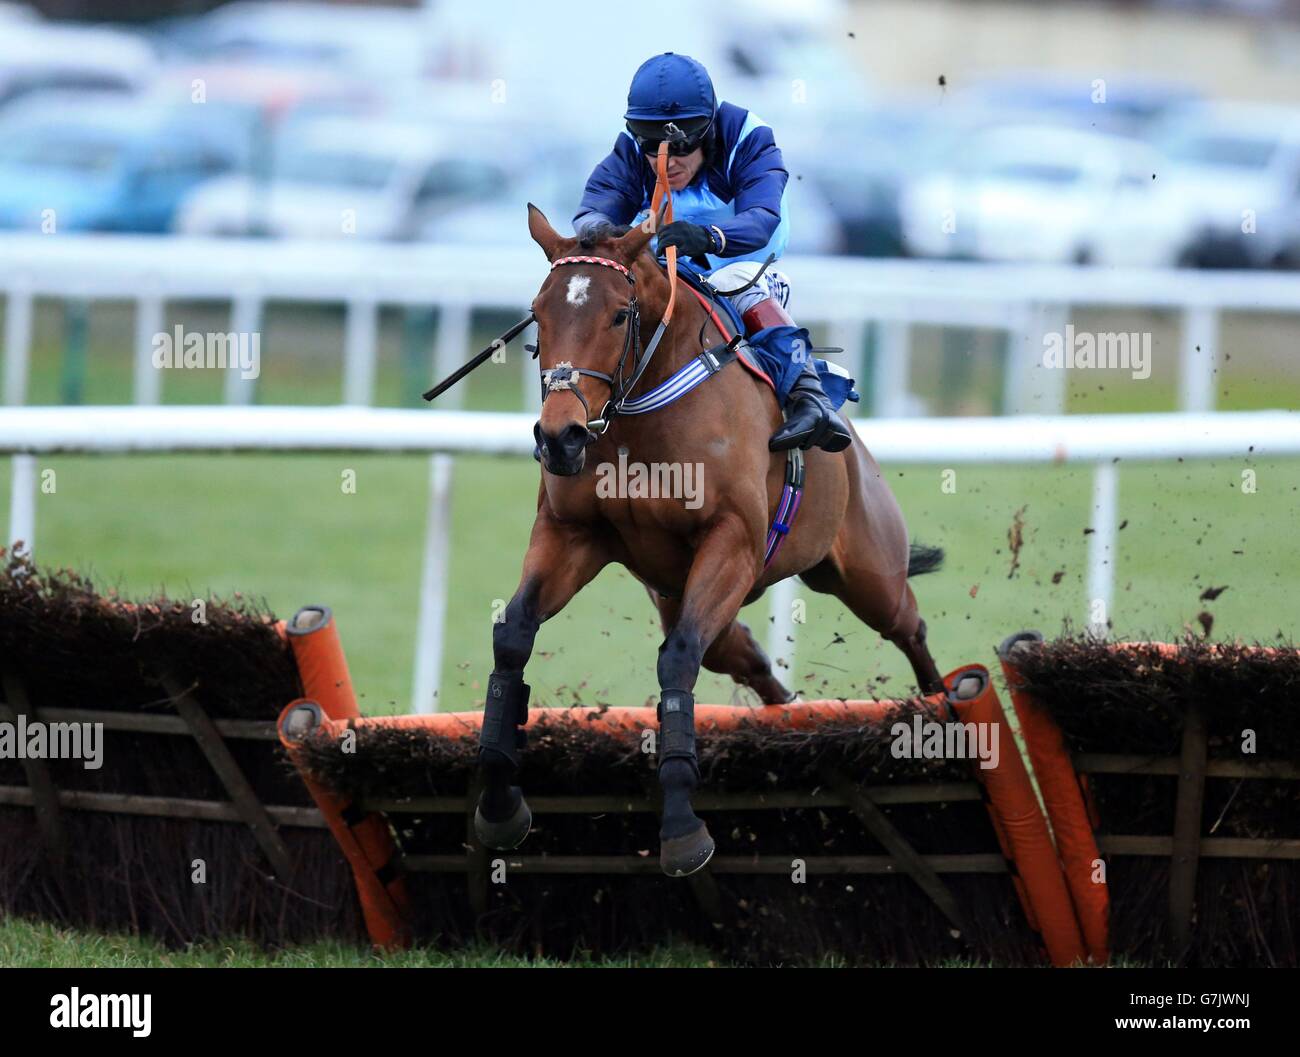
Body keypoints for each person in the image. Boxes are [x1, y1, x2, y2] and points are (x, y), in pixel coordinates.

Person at [573, 51, 852, 453]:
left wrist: (709, 237)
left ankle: (808, 395)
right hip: (664, 273)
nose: (665, 161)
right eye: (652, 145)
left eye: (681, 145)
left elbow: (761, 216)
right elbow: (592, 212)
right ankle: (570, 418)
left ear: (706, 132)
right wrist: (606, 235)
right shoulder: (631, 151)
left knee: (731, 280)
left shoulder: (749, 138)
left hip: (746, 270)